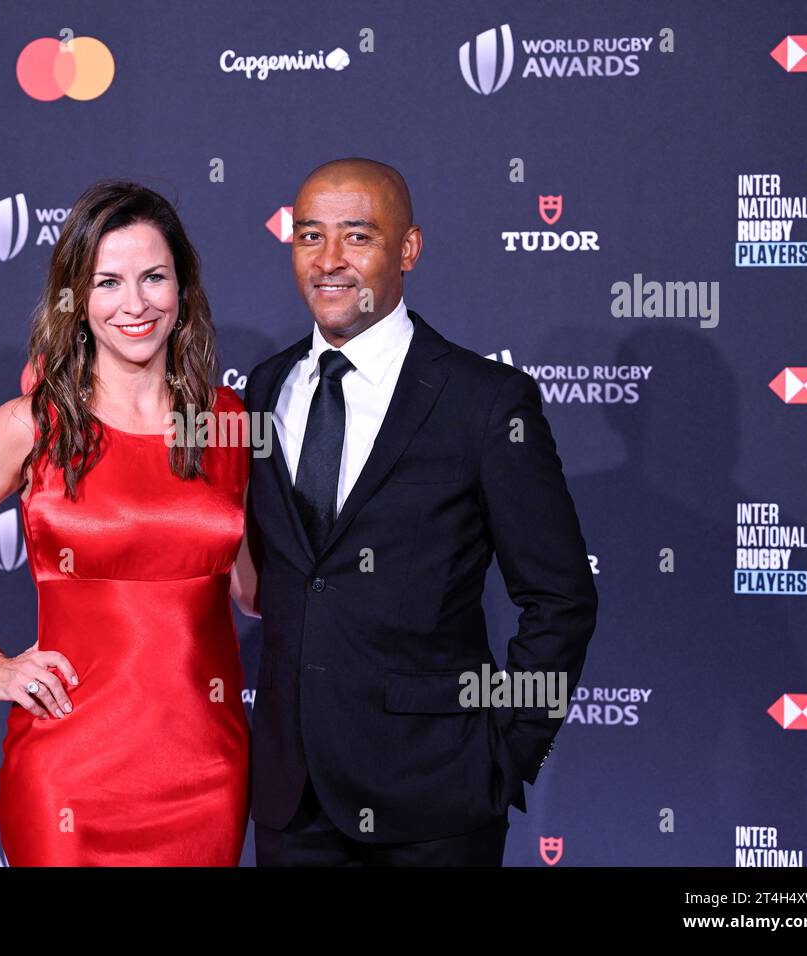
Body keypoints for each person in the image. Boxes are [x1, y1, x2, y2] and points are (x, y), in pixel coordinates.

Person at [244, 157, 599, 866]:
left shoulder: (485, 401)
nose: (331, 261)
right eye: (310, 236)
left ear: (408, 249)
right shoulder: (264, 389)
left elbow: (560, 597)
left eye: (359, 236)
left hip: (437, 800)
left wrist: (507, 754)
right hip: (292, 799)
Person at [0, 180, 258, 866]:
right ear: (77, 297)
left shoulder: (228, 421)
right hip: (69, 766)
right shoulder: (31, 425)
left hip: (205, 769)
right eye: (108, 282)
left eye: (155, 277)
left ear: (183, 289)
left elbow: (251, 588)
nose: (135, 303)